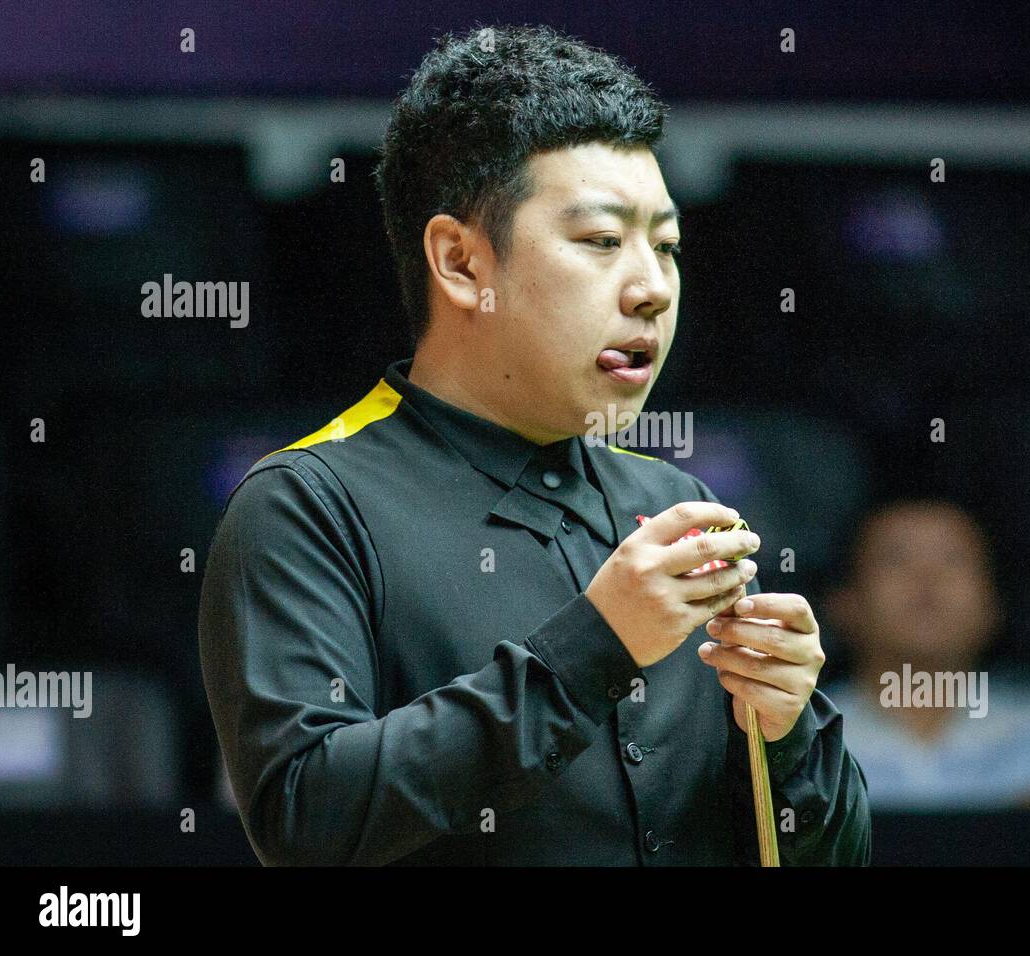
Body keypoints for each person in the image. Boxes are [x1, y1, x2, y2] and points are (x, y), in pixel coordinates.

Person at [197, 24, 870, 866]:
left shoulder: (675, 509)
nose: (653, 287)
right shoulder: (307, 504)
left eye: (666, 246)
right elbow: (304, 820)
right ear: (460, 262)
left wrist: (790, 731)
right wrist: (595, 645)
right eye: (600, 241)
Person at [824, 498, 1030, 811]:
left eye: (953, 559)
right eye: (895, 558)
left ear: (994, 608)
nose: (927, 579)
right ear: (843, 604)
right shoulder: (803, 734)